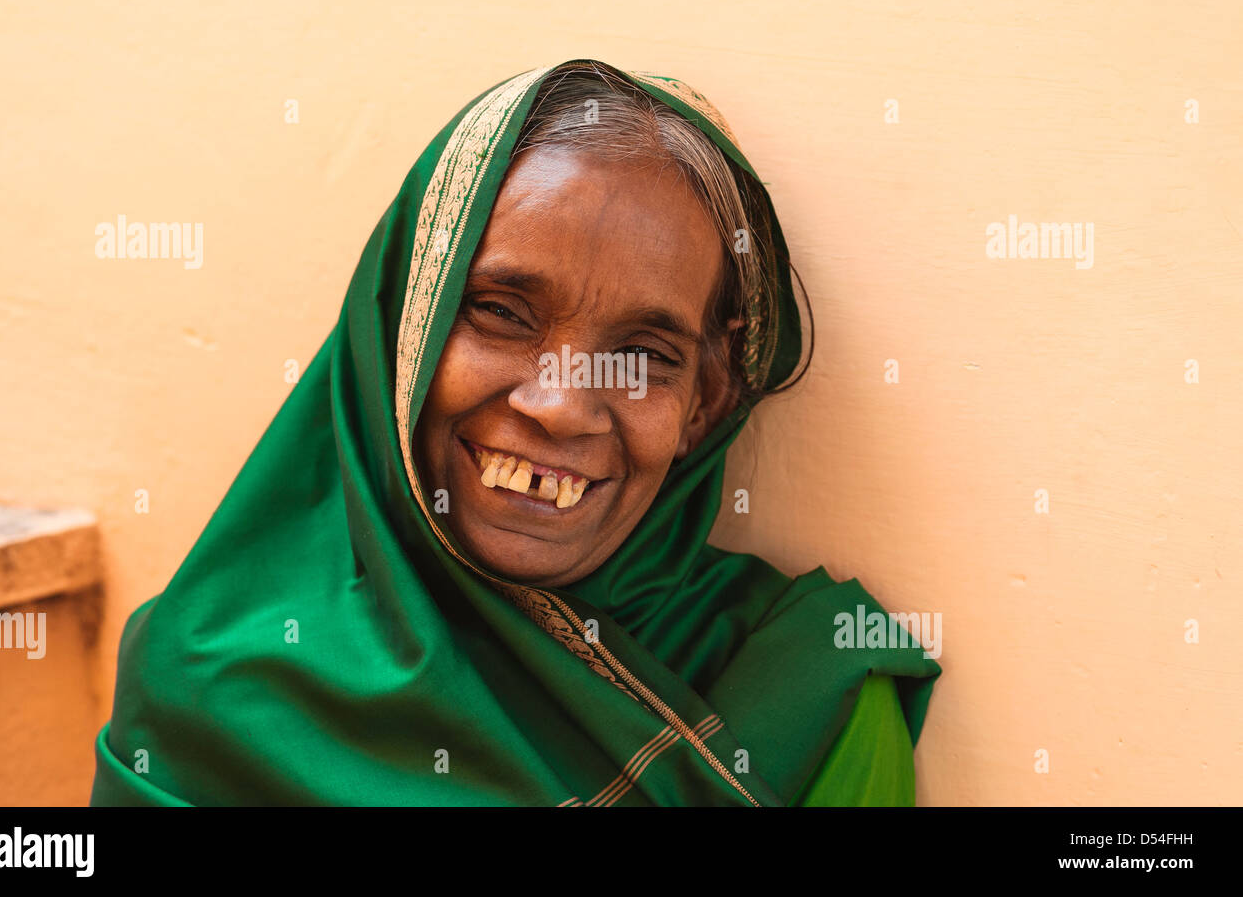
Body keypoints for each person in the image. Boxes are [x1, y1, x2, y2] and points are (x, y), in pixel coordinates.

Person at [91, 59, 940, 806]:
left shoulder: (806, 697)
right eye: (500, 312)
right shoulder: (210, 679)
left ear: (705, 406)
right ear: (404, 334)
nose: (560, 405)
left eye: (644, 356)